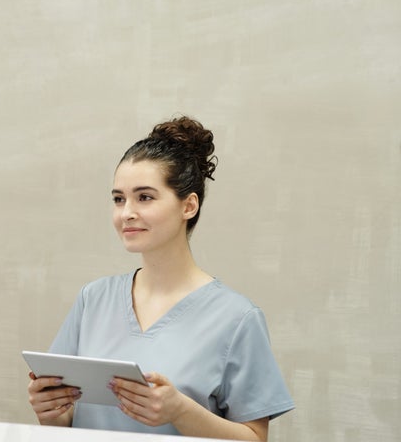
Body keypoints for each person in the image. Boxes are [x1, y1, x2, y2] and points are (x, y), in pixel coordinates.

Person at [27, 116, 294, 439]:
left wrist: (180, 411)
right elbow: (69, 421)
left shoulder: (237, 319)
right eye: (118, 199)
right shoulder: (93, 299)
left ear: (188, 206)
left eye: (145, 197)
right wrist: (52, 413)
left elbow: (255, 437)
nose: (126, 212)